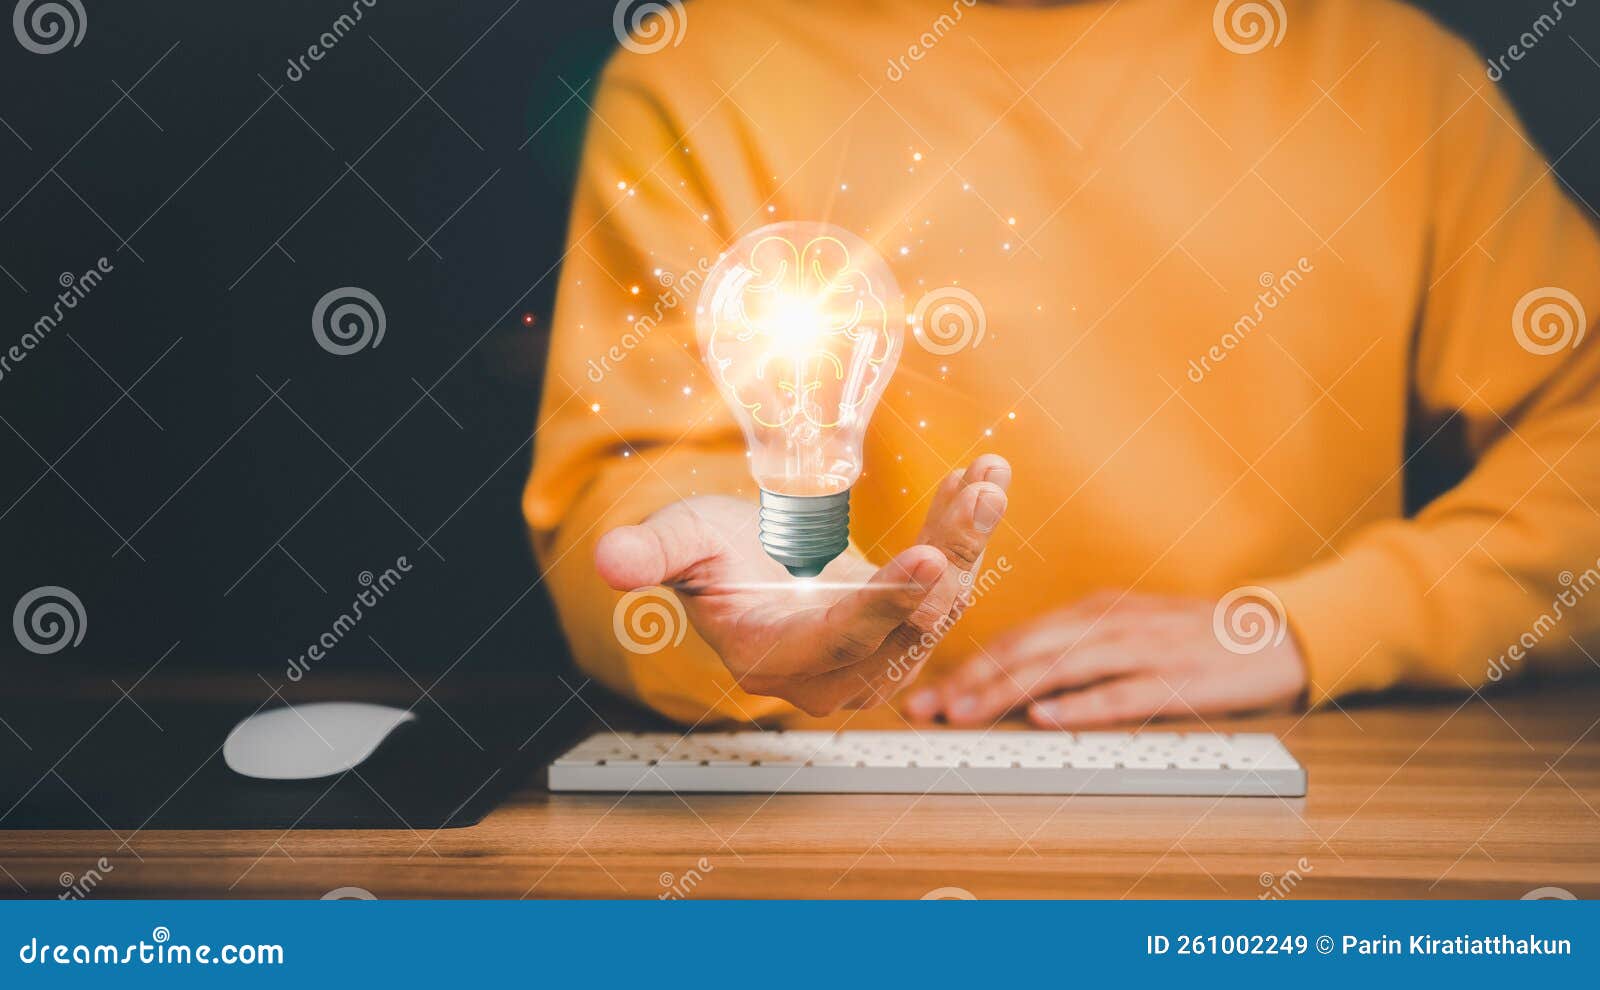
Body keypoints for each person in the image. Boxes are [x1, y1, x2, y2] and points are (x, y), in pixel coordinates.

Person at [523, 0, 1600, 727]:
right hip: (825, 805)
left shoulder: (1387, 75)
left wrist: (1317, 626)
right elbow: (629, 489)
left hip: (1278, 793)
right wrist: (747, 608)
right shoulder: (703, 66)